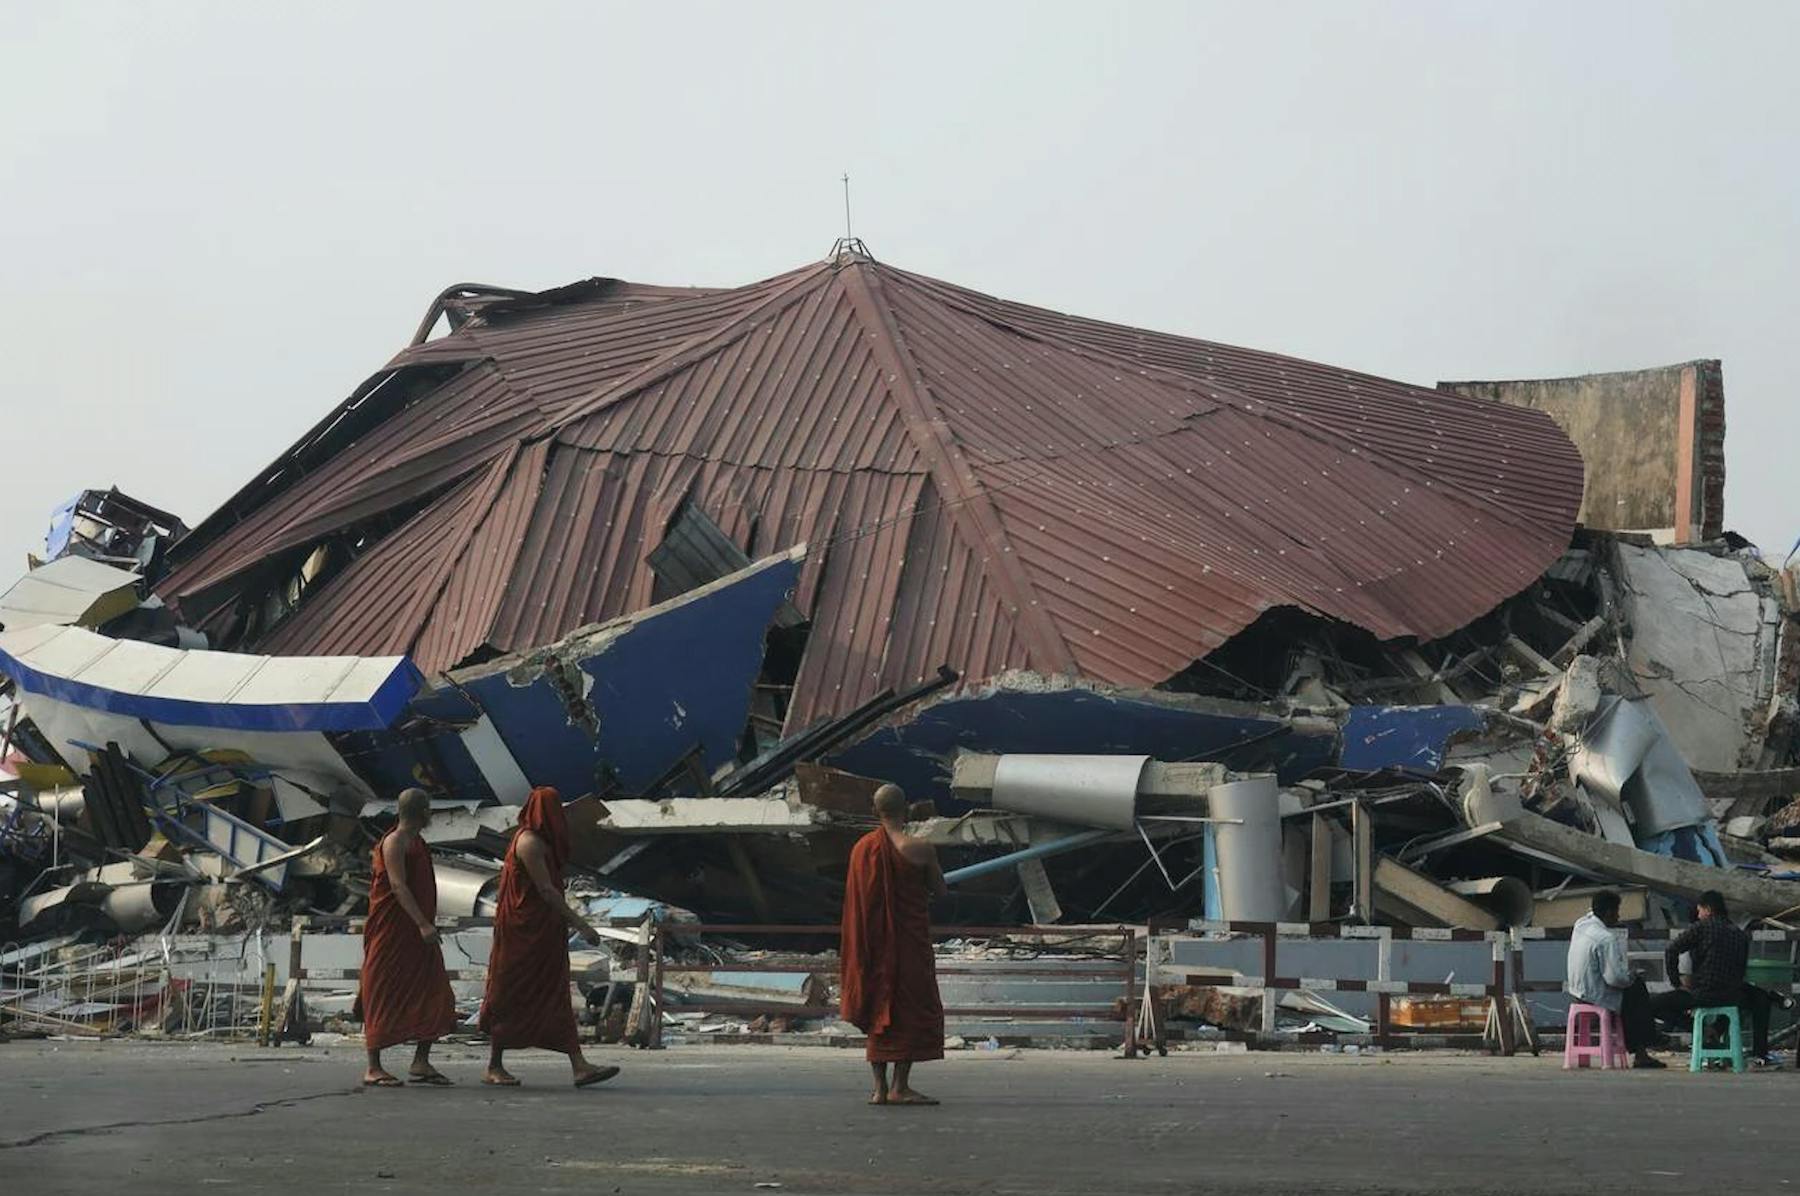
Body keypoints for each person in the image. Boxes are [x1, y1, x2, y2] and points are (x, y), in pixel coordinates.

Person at [479, 786, 618, 1089]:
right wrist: (582, 925)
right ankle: (494, 1065)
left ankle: (579, 1065)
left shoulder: (543, 843)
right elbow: (545, 890)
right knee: (511, 996)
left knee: (554, 996)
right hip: (522, 935)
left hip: (543, 934)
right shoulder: (529, 842)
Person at [839, 783, 947, 1107]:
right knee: (908, 1010)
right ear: (908, 808)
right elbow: (940, 890)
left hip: (872, 948)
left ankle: (879, 1089)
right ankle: (901, 1085)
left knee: (878, 1009)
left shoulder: (861, 850)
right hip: (909, 946)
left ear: (875, 811)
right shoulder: (921, 849)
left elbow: (855, 905)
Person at [357, 787, 458, 1087]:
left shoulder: (418, 842)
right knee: (381, 991)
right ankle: (373, 1066)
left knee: (435, 991)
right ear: (421, 812)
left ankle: (421, 1061)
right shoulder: (394, 842)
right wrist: (422, 924)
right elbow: (398, 886)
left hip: (418, 932)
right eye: (427, 809)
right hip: (394, 930)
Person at [1648, 890, 1768, 1063]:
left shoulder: (1704, 926)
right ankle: (1759, 1053)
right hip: (1732, 995)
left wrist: (1676, 983)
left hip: (1703, 993)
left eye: (1699, 911)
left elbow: (1672, 949)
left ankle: (1701, 1031)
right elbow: (1741, 970)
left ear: (1708, 909)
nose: (1698, 915)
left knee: (1651, 1003)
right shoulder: (1740, 934)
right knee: (1761, 998)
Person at [1565, 889, 1663, 1068]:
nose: (1618, 916)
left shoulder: (1581, 925)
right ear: (1609, 912)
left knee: (1632, 992)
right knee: (1637, 991)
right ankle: (1641, 1051)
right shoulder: (1606, 939)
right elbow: (1614, 979)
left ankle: (1640, 1047)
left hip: (1578, 991)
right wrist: (1631, 976)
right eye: (1617, 911)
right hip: (1596, 997)